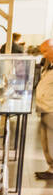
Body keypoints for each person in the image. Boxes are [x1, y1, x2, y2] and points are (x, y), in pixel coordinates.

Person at [36, 40, 53, 181]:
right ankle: (50, 168)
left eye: (46, 51)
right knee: (45, 140)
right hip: (44, 108)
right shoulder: (49, 66)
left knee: (51, 140)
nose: (44, 54)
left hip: (51, 110)